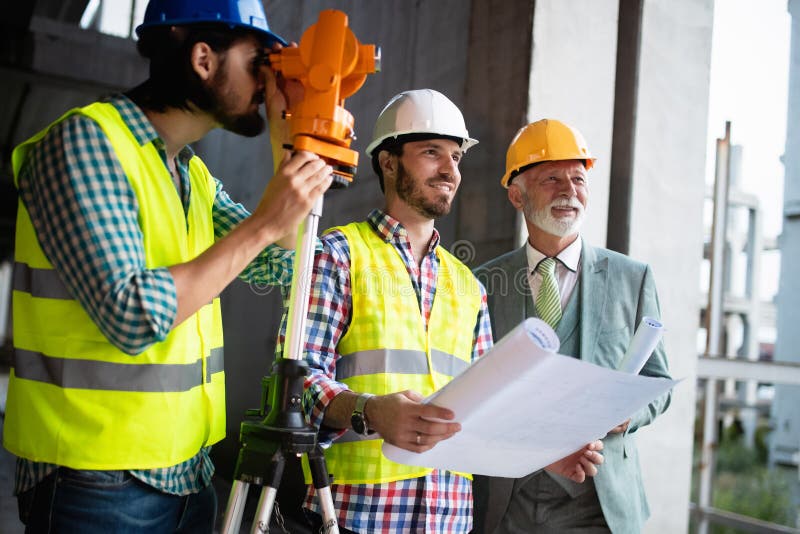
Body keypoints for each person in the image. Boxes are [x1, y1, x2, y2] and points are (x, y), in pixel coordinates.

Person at [4, 0, 333, 532]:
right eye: (258, 65)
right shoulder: (86, 143)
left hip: (188, 473)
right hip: (97, 481)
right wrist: (263, 224)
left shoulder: (191, 177)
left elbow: (278, 263)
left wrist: (286, 133)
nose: (267, 82)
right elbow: (133, 315)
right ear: (204, 59)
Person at [279, 90, 604, 533]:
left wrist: (545, 452)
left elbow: (488, 408)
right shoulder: (338, 254)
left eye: (456, 157)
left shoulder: (467, 285)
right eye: (432, 152)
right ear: (389, 162)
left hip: (448, 518)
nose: (450, 169)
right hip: (356, 514)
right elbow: (294, 380)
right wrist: (371, 412)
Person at [472, 119, 672, 534]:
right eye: (551, 179)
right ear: (516, 194)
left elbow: (658, 381)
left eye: (578, 179)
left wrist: (625, 414)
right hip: (508, 500)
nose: (569, 191)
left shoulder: (632, 278)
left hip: (599, 505)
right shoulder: (481, 283)